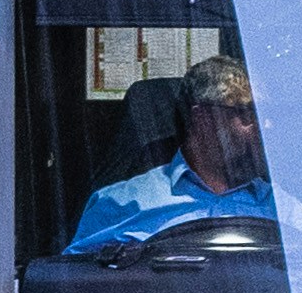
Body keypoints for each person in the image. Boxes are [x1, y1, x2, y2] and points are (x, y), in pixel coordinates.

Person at [62, 58, 277, 250]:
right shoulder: (122, 204)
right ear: (204, 119)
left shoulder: (285, 211)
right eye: (250, 115)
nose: (266, 126)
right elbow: (73, 285)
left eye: (268, 114)